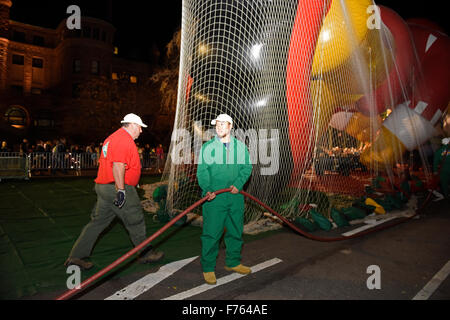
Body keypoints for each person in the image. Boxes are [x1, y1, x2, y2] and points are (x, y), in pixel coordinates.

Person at [64, 113, 164, 270]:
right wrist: (121, 190)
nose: (141, 131)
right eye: (139, 127)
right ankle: (146, 254)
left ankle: (76, 256)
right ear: (131, 125)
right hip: (116, 187)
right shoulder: (124, 139)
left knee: (97, 223)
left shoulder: (112, 138)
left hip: (105, 187)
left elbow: (111, 163)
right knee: (135, 220)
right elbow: (118, 165)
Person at [196, 113, 253, 285]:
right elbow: (202, 172)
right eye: (217, 124)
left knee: (235, 231)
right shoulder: (208, 148)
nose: (219, 127)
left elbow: (247, 167)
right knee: (212, 234)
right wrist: (208, 189)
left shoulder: (241, 147)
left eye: (223, 124)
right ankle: (208, 267)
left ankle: (233, 262)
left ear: (230, 126)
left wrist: (238, 183)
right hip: (214, 198)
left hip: (235, 197)